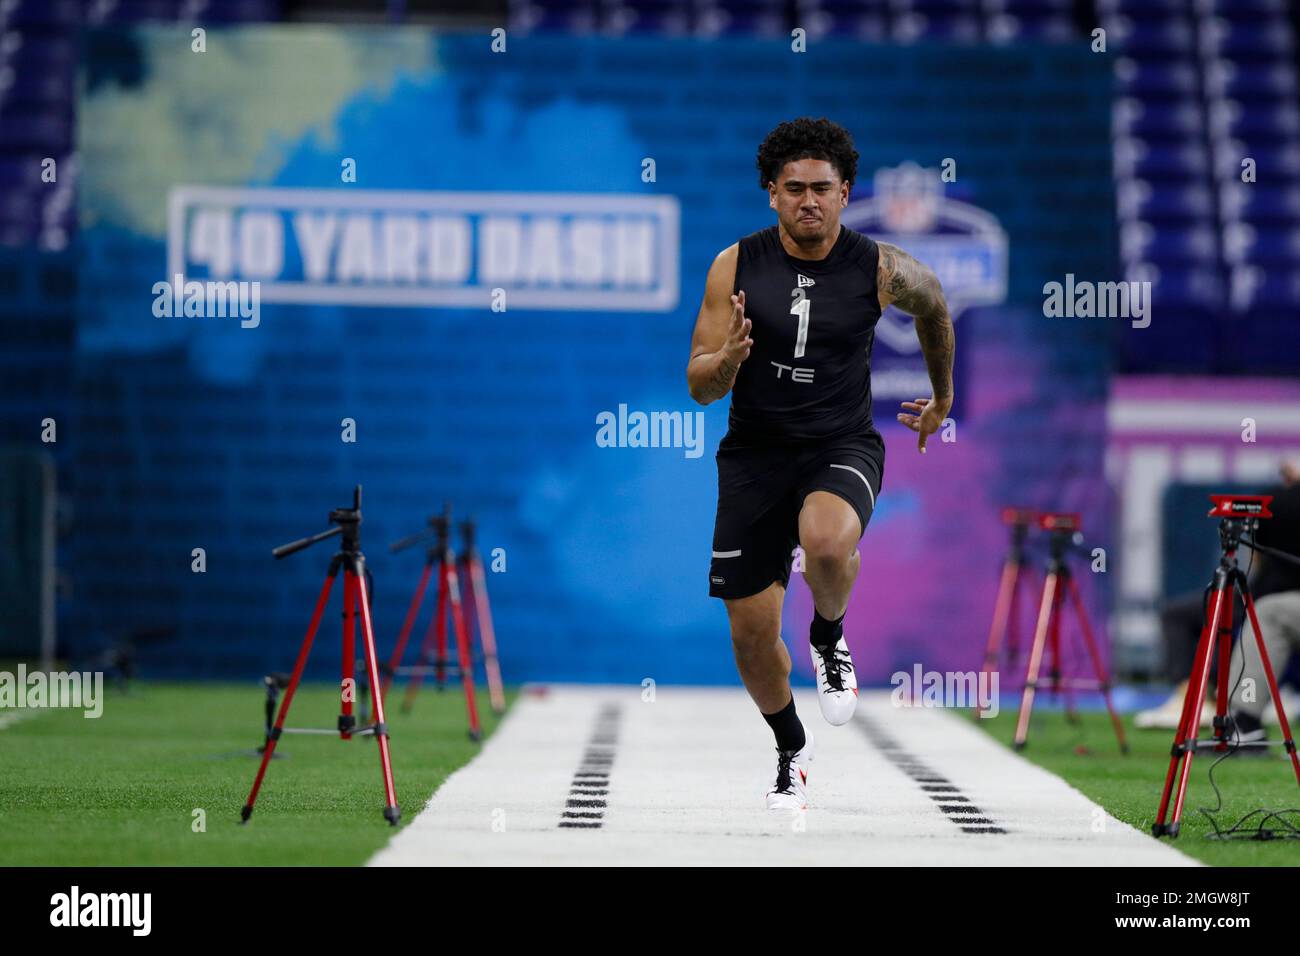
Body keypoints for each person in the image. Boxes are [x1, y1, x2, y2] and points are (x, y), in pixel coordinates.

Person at [685, 117, 954, 809]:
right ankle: (789, 748)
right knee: (749, 637)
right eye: (794, 188)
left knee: (829, 543)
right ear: (771, 193)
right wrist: (730, 360)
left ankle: (829, 637)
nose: (809, 200)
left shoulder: (880, 267)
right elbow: (698, 382)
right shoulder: (734, 266)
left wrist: (942, 397)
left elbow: (936, 308)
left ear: (845, 193)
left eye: (823, 189)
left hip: (841, 444)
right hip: (754, 455)